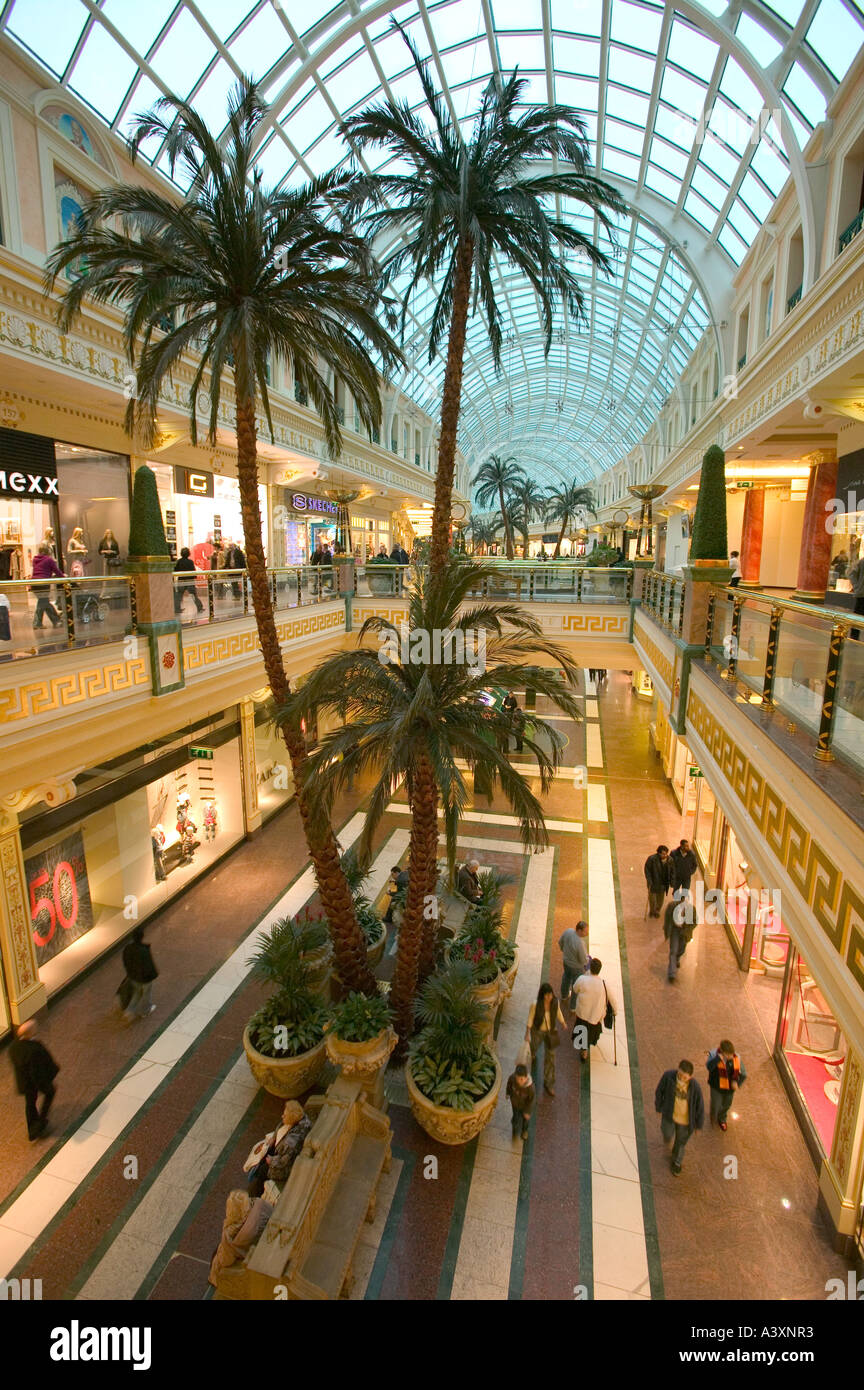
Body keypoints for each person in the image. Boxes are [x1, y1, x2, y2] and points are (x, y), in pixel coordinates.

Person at [245, 1100, 313, 1196]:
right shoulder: (302, 1119)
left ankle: (252, 1195)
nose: (282, 1116)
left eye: (285, 1116)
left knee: (261, 1171)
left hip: (284, 1168)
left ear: (292, 1118)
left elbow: (285, 1161)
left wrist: (271, 1161)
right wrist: (274, 1137)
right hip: (281, 1152)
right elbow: (281, 1126)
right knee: (263, 1160)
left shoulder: (292, 1142)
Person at [208, 1190, 273, 1287]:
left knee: (216, 1257)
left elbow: (226, 1260)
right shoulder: (259, 1204)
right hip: (265, 1246)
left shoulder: (230, 1234)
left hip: (248, 1259)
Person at [9, 1019, 60, 1141]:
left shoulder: (13, 1047)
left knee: (30, 1103)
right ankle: (40, 1123)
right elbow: (39, 1069)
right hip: (37, 1081)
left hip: (24, 1082)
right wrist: (47, 1079)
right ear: (31, 1032)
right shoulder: (35, 1048)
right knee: (50, 1093)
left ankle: (31, 1128)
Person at [655, 1059, 705, 1175]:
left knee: (681, 1143)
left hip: (685, 1121)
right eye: (680, 1075)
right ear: (678, 1070)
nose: (682, 1078)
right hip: (669, 1115)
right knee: (666, 1132)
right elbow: (659, 1091)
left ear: (690, 1077)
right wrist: (658, 1107)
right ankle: (668, 1138)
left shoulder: (695, 1087)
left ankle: (677, 1162)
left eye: (685, 1077)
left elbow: (700, 1106)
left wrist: (699, 1125)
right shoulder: (668, 1077)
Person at [570, 958, 617, 1061]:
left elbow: (574, 988)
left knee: (582, 1031)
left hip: (582, 1013)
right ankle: (584, 1051)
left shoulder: (582, 979)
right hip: (595, 1016)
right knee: (590, 1033)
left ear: (590, 968)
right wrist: (615, 1011)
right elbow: (612, 1000)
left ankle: (583, 1051)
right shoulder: (604, 984)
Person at [526, 983, 567, 1095]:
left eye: (551, 995)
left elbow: (558, 1012)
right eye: (547, 995)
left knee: (551, 1058)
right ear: (542, 995)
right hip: (537, 1030)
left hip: (550, 1032)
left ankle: (549, 1083)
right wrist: (527, 1033)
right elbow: (530, 1018)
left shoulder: (555, 1002)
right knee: (533, 1046)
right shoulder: (535, 1005)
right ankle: (533, 1053)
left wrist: (563, 1022)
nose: (549, 997)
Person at [706, 1040, 746, 1131]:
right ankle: (713, 1115)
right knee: (716, 1104)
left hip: (729, 1089)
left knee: (727, 1104)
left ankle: (722, 1119)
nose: (730, 1057)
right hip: (716, 1086)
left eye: (731, 1054)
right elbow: (709, 1067)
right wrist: (717, 1060)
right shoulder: (713, 1055)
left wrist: (737, 1083)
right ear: (722, 1052)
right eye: (727, 1055)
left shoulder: (736, 1058)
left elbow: (743, 1073)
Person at [120, 924, 158, 1021]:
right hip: (145, 978)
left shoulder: (128, 948)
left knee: (137, 993)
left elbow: (125, 962)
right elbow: (149, 965)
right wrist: (153, 975)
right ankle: (145, 1011)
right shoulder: (144, 950)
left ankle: (129, 1011)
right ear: (142, 937)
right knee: (146, 994)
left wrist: (130, 973)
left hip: (133, 977)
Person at [663, 894, 696, 983]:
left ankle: (677, 959)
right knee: (673, 950)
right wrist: (666, 931)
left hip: (684, 932)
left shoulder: (692, 910)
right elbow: (667, 919)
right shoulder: (671, 907)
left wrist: (688, 930)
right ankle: (672, 973)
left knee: (682, 949)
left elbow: (695, 921)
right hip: (674, 930)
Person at [30, 544, 64, 628]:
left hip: (34, 583)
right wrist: (64, 578)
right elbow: (56, 571)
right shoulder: (49, 559)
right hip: (43, 583)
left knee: (43, 602)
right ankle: (41, 623)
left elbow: (40, 570)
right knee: (44, 602)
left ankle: (55, 621)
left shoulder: (35, 559)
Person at [558, 920, 590, 1003]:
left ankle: (564, 996)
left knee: (566, 978)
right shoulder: (580, 943)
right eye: (585, 931)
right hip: (576, 968)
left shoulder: (568, 931)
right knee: (576, 985)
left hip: (566, 962)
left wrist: (565, 952)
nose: (587, 933)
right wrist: (588, 960)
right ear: (579, 931)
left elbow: (560, 942)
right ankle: (573, 1006)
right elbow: (583, 960)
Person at [506, 1063, 535, 1139]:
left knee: (525, 1120)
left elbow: (531, 1100)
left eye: (521, 1079)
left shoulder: (530, 1088)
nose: (519, 1082)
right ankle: (515, 1128)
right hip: (515, 1103)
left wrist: (527, 1111)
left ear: (526, 1078)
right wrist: (508, 1093)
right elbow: (509, 1085)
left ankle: (524, 1131)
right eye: (517, 1079)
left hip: (524, 1106)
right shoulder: (512, 1078)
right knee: (515, 1115)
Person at [173, 547, 203, 614]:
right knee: (194, 595)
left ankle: (177, 609)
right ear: (188, 554)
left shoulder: (179, 561)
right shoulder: (190, 562)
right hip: (190, 581)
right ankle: (199, 607)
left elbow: (175, 570)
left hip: (181, 580)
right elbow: (193, 571)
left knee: (179, 595)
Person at [644, 845, 671, 918]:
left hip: (662, 884)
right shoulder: (652, 859)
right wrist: (649, 880)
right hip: (653, 883)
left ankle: (657, 911)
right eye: (663, 854)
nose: (665, 855)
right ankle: (652, 910)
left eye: (666, 854)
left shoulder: (669, 860)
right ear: (658, 853)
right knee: (652, 899)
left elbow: (672, 871)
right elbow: (647, 870)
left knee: (660, 899)